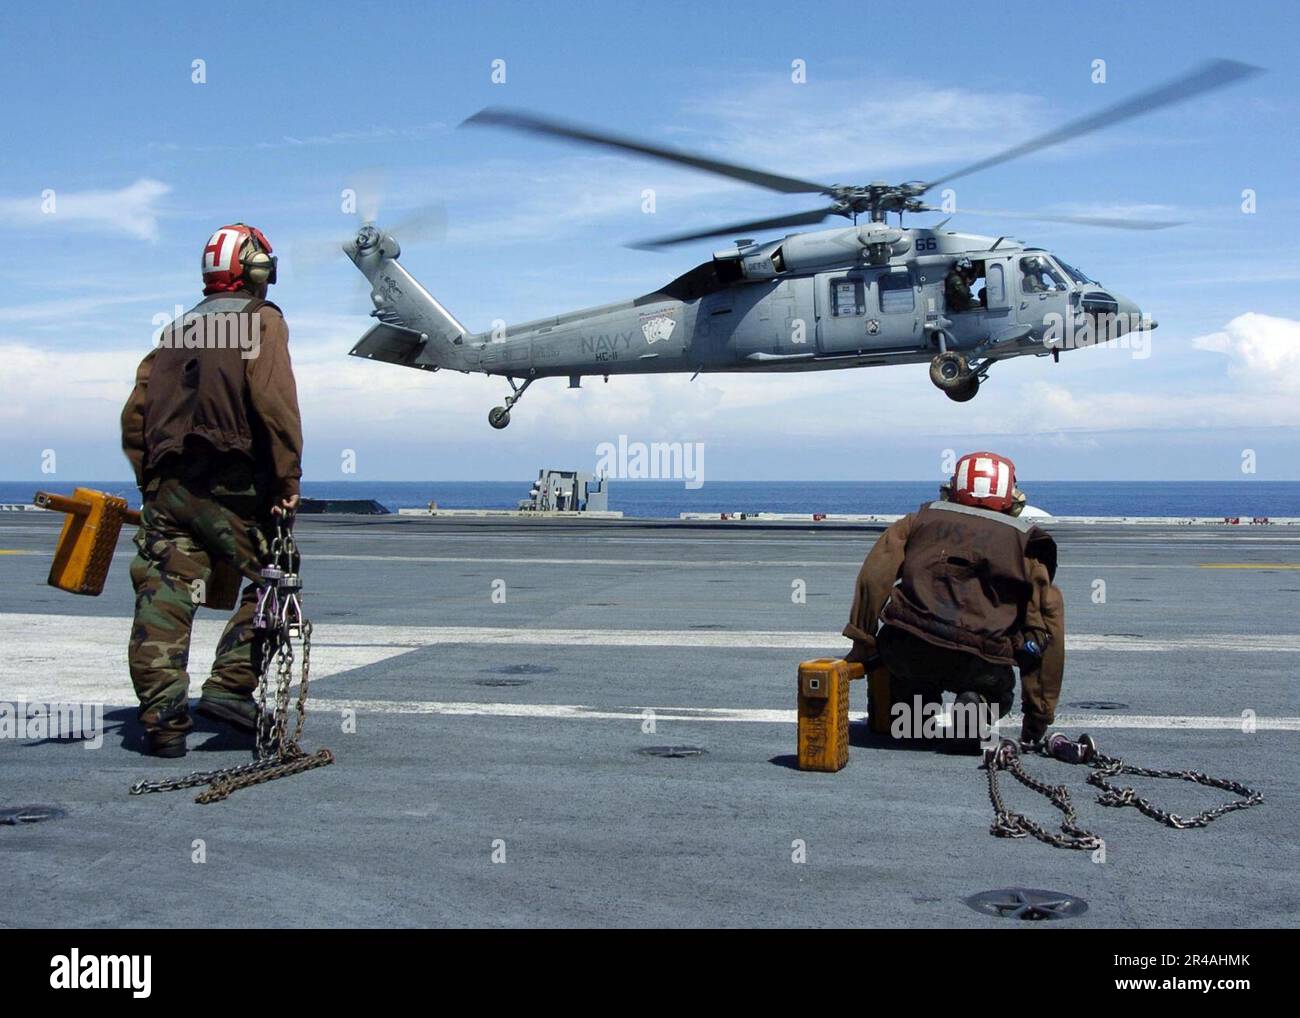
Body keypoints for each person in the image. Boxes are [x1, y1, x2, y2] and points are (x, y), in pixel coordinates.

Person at [120, 223, 303, 757]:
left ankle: (163, 724)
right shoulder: (261, 322)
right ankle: (228, 688)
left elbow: (136, 415)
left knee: (164, 597)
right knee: (275, 576)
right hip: (234, 487)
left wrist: (149, 481)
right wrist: (286, 478)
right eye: (261, 262)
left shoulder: (177, 331)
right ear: (248, 271)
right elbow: (274, 404)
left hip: (168, 486)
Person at [842, 452, 1064, 749]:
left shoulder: (919, 520)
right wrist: (1038, 714)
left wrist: (862, 640)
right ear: (1011, 499)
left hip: (909, 646)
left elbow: (875, 576)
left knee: (908, 680)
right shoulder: (1025, 543)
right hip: (981, 658)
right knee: (997, 691)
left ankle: (913, 718)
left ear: (952, 489)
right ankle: (977, 706)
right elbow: (1046, 625)